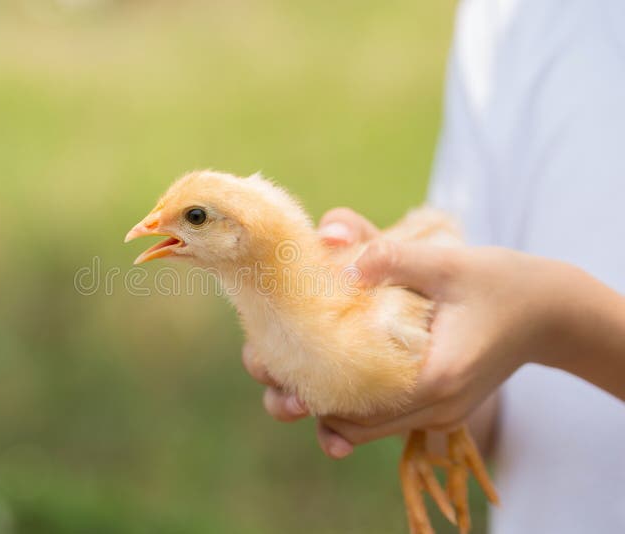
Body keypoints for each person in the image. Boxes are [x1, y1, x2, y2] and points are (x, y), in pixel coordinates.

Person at [241, 0, 625, 532]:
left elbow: (518, 317)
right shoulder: (513, 13)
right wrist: (442, 394)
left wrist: (556, 320)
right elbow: (479, 332)